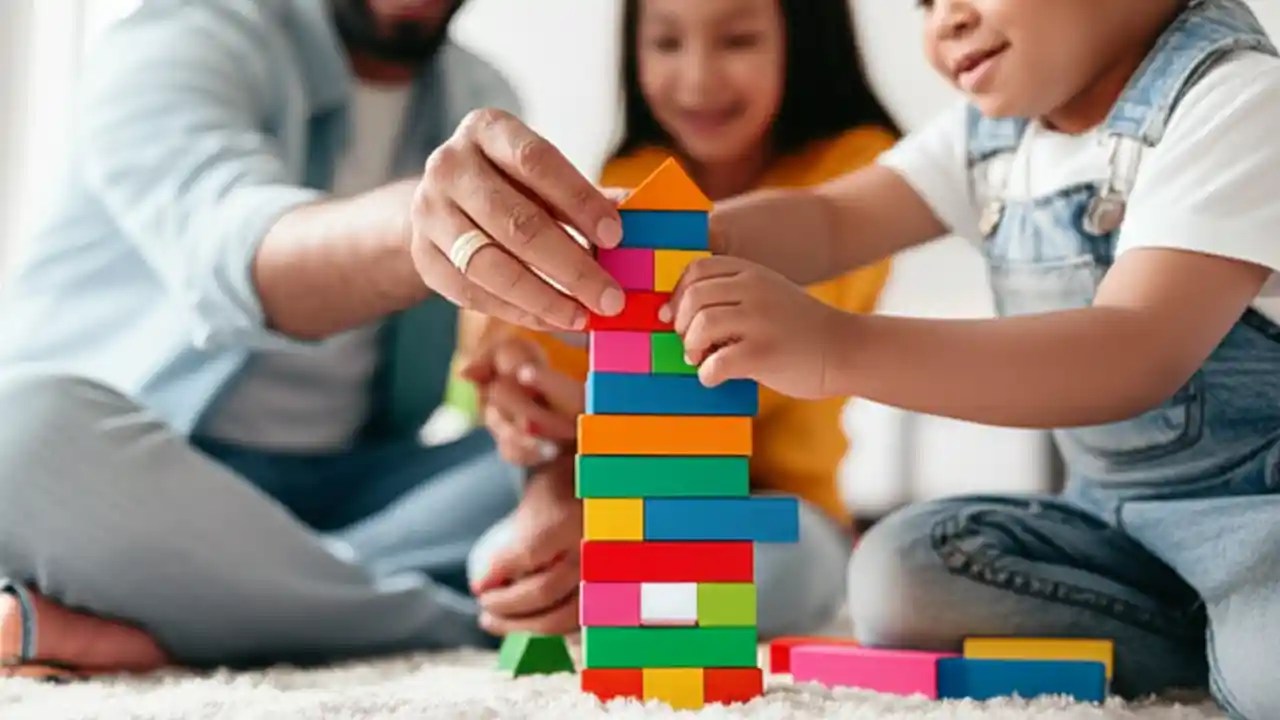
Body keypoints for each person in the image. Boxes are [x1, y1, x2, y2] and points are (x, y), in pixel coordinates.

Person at [658, 0, 1280, 717]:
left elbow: (1134, 348)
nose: (944, 21)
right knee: (904, 571)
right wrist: (667, 234)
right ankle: (1200, 634)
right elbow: (831, 220)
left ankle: (1235, 633)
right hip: (1110, 524)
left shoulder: (1234, 98)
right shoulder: (992, 136)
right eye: (923, 3)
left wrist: (837, 345)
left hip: (1255, 517)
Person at [0, 0, 632, 677]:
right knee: (19, 432)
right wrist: (418, 228)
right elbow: (236, 250)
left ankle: (205, 619)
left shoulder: (483, 95)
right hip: (150, 470)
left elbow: (492, 365)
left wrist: (543, 451)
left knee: (625, 476)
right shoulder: (180, 40)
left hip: (359, 487)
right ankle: (431, 623)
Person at [456, 0, 898, 639]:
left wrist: (588, 424)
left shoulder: (853, 176)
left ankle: (605, 604)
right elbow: (554, 347)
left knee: (781, 569)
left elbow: (747, 373)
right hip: (619, 493)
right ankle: (592, 599)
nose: (698, 80)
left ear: (800, 39)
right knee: (498, 559)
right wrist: (523, 391)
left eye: (737, 40)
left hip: (773, 504)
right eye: (666, 43)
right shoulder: (628, 181)